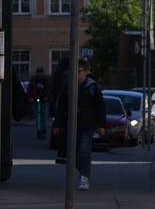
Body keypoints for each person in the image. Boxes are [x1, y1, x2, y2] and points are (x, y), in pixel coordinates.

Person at [55, 59, 105, 191]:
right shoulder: (68, 86)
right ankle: (82, 170)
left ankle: (84, 177)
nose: (76, 74)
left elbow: (100, 107)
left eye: (79, 71)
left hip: (88, 125)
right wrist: (57, 124)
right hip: (71, 124)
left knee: (84, 151)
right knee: (72, 153)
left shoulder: (93, 87)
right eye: (74, 71)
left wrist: (101, 125)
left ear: (86, 72)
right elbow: (61, 106)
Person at [30, 67, 49, 138]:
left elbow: (49, 89)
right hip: (36, 99)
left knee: (44, 115)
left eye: (41, 72)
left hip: (44, 100)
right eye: (39, 72)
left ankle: (43, 129)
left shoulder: (46, 80)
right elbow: (30, 89)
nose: (40, 74)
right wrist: (30, 97)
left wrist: (47, 97)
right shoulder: (33, 80)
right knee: (37, 115)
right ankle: (39, 129)